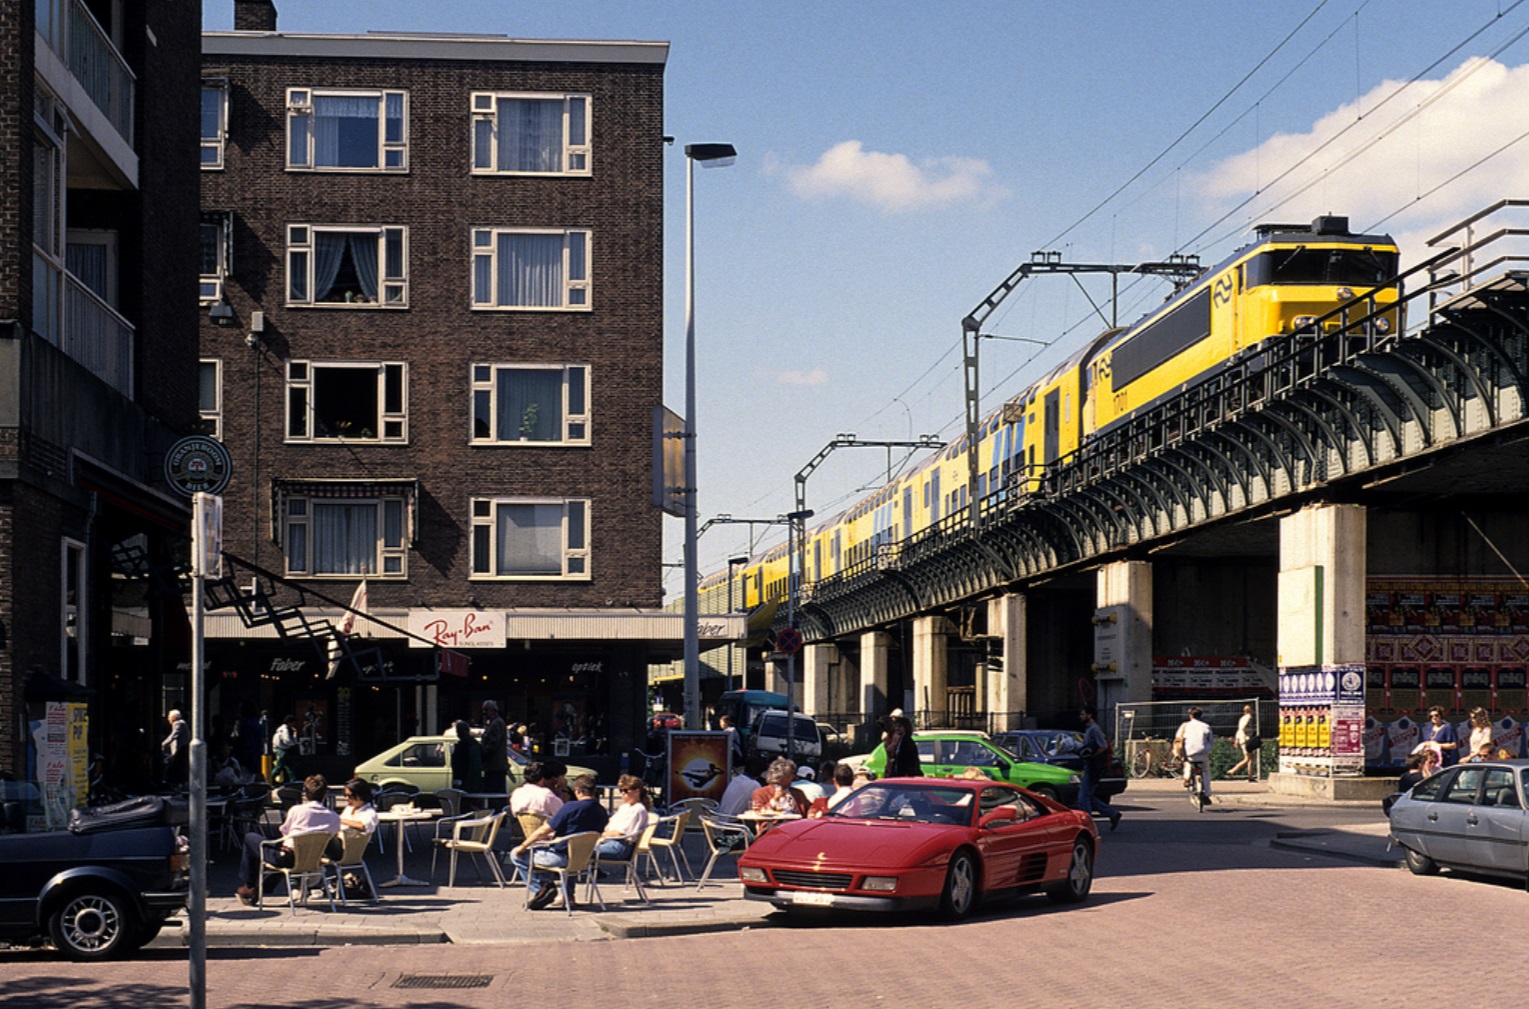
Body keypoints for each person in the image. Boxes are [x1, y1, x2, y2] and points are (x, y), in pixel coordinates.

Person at [236, 773, 341, 905]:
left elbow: (284, 831)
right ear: (325, 794)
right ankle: (262, 887)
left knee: (250, 839)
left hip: (288, 857)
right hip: (313, 859)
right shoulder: (334, 817)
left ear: (305, 794)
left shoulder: (296, 810)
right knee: (276, 850)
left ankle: (249, 886)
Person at [511, 774, 609, 911]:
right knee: (574, 851)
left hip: (560, 858)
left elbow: (543, 830)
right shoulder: (602, 811)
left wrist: (523, 846)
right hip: (584, 858)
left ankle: (542, 889)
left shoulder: (571, 807)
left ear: (577, 790)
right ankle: (568, 896)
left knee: (516, 855)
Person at [1078, 704, 1122, 831]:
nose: (1080, 717)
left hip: (1093, 766)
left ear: (1089, 715)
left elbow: (1103, 746)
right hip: (1091, 765)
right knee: (1089, 795)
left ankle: (1087, 824)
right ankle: (1113, 814)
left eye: (1082, 714)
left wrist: (1092, 755)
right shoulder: (1089, 729)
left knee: (1083, 797)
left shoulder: (1094, 729)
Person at [597, 774, 652, 862]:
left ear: (636, 792)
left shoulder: (638, 810)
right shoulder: (624, 807)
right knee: (580, 848)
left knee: (583, 851)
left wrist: (601, 836)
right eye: (621, 790)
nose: (622, 793)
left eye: (626, 790)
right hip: (609, 842)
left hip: (621, 846)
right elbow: (609, 826)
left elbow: (621, 833)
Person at [1174, 706, 1215, 805]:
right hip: (1202, 753)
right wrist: (1206, 748)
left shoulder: (1185, 726)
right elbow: (1211, 741)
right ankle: (1207, 793)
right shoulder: (1205, 726)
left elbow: (1178, 739)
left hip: (1189, 753)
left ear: (1190, 715)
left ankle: (1187, 777)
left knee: (1187, 762)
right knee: (1205, 772)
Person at [480, 700, 508, 794]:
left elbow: (492, 745)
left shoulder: (496, 723)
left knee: (495, 793)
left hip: (495, 766)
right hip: (494, 765)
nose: (484, 713)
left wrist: (482, 752)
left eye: (486, 710)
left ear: (493, 710)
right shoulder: (492, 723)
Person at [1225, 704, 1259, 782]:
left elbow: (1239, 729)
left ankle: (1250, 775)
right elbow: (1243, 728)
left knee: (1251, 757)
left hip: (1241, 739)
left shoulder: (1242, 718)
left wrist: (1237, 740)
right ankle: (1233, 770)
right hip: (1246, 739)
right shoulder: (1248, 718)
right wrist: (1252, 730)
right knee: (1247, 758)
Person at [450, 719, 483, 792]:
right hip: (475, 779)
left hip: (464, 779)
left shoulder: (462, 745)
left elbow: (458, 764)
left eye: (459, 731)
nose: (458, 733)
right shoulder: (475, 744)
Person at [161, 708, 189, 787]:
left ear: (173, 717)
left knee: (175, 766)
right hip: (182, 748)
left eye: (169, 717)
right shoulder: (181, 723)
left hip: (181, 749)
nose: (168, 719)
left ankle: (176, 784)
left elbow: (173, 736)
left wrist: (163, 744)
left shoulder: (178, 723)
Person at [270, 713, 299, 784]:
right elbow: (287, 740)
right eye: (293, 723)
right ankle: (268, 779)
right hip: (283, 750)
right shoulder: (285, 730)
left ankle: (293, 781)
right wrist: (294, 741)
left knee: (288, 767)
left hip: (278, 749)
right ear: (289, 722)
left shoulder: (279, 729)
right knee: (279, 767)